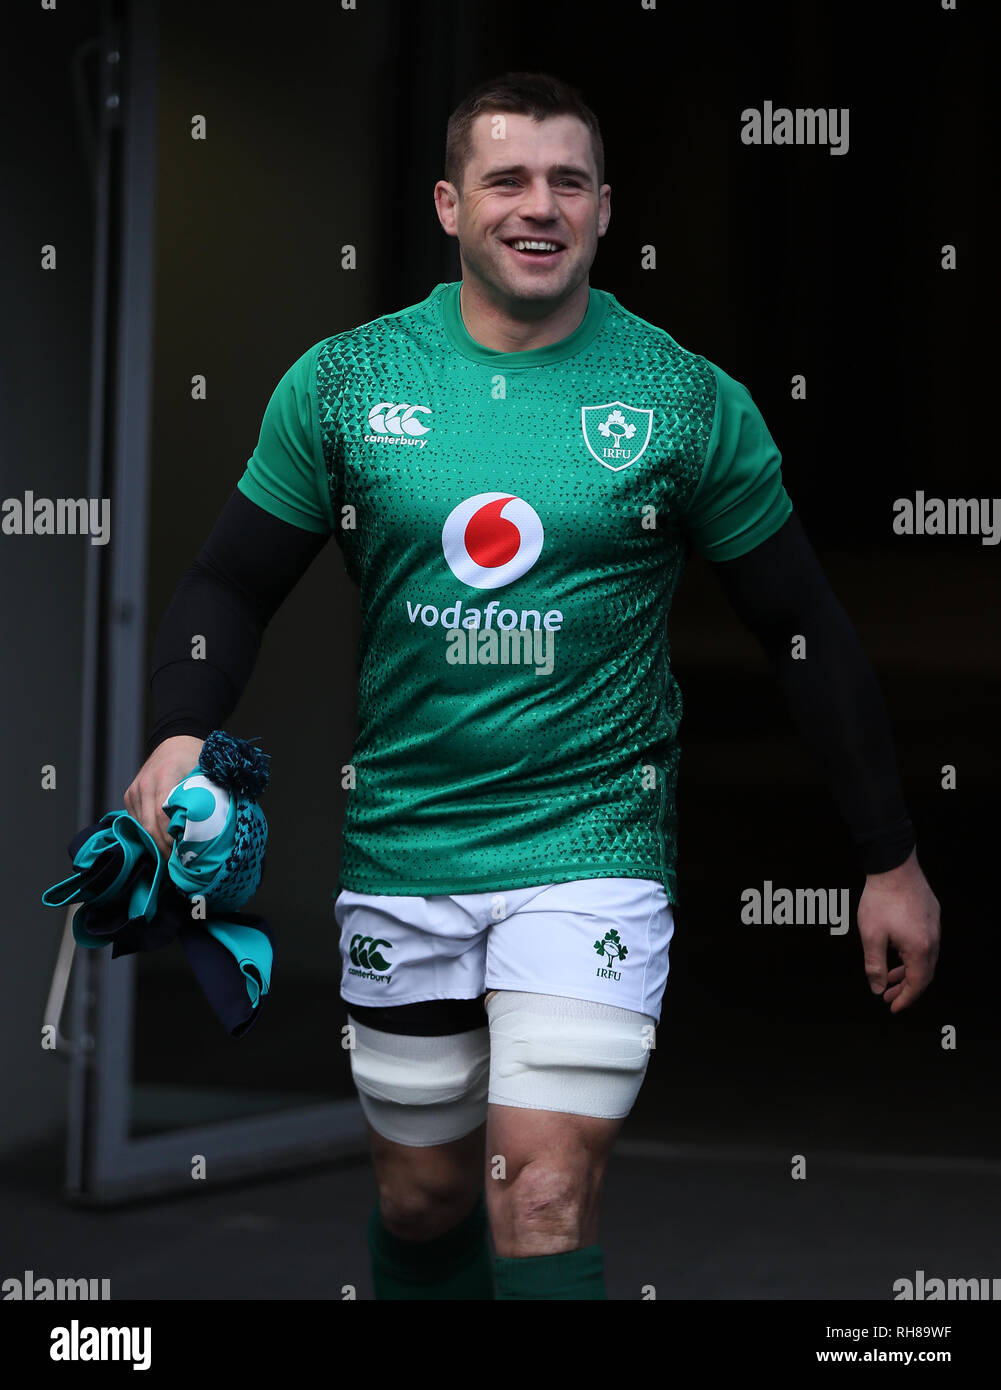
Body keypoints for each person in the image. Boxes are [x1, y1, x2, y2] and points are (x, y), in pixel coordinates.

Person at [125, 71, 941, 1301]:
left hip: (591, 845)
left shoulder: (678, 398)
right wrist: (181, 733)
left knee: (540, 1188)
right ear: (451, 204)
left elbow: (798, 624)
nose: (538, 205)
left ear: (605, 209)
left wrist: (887, 854)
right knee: (426, 1197)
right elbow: (230, 582)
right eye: (508, 179)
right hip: (407, 850)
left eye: (567, 181)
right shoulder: (344, 384)